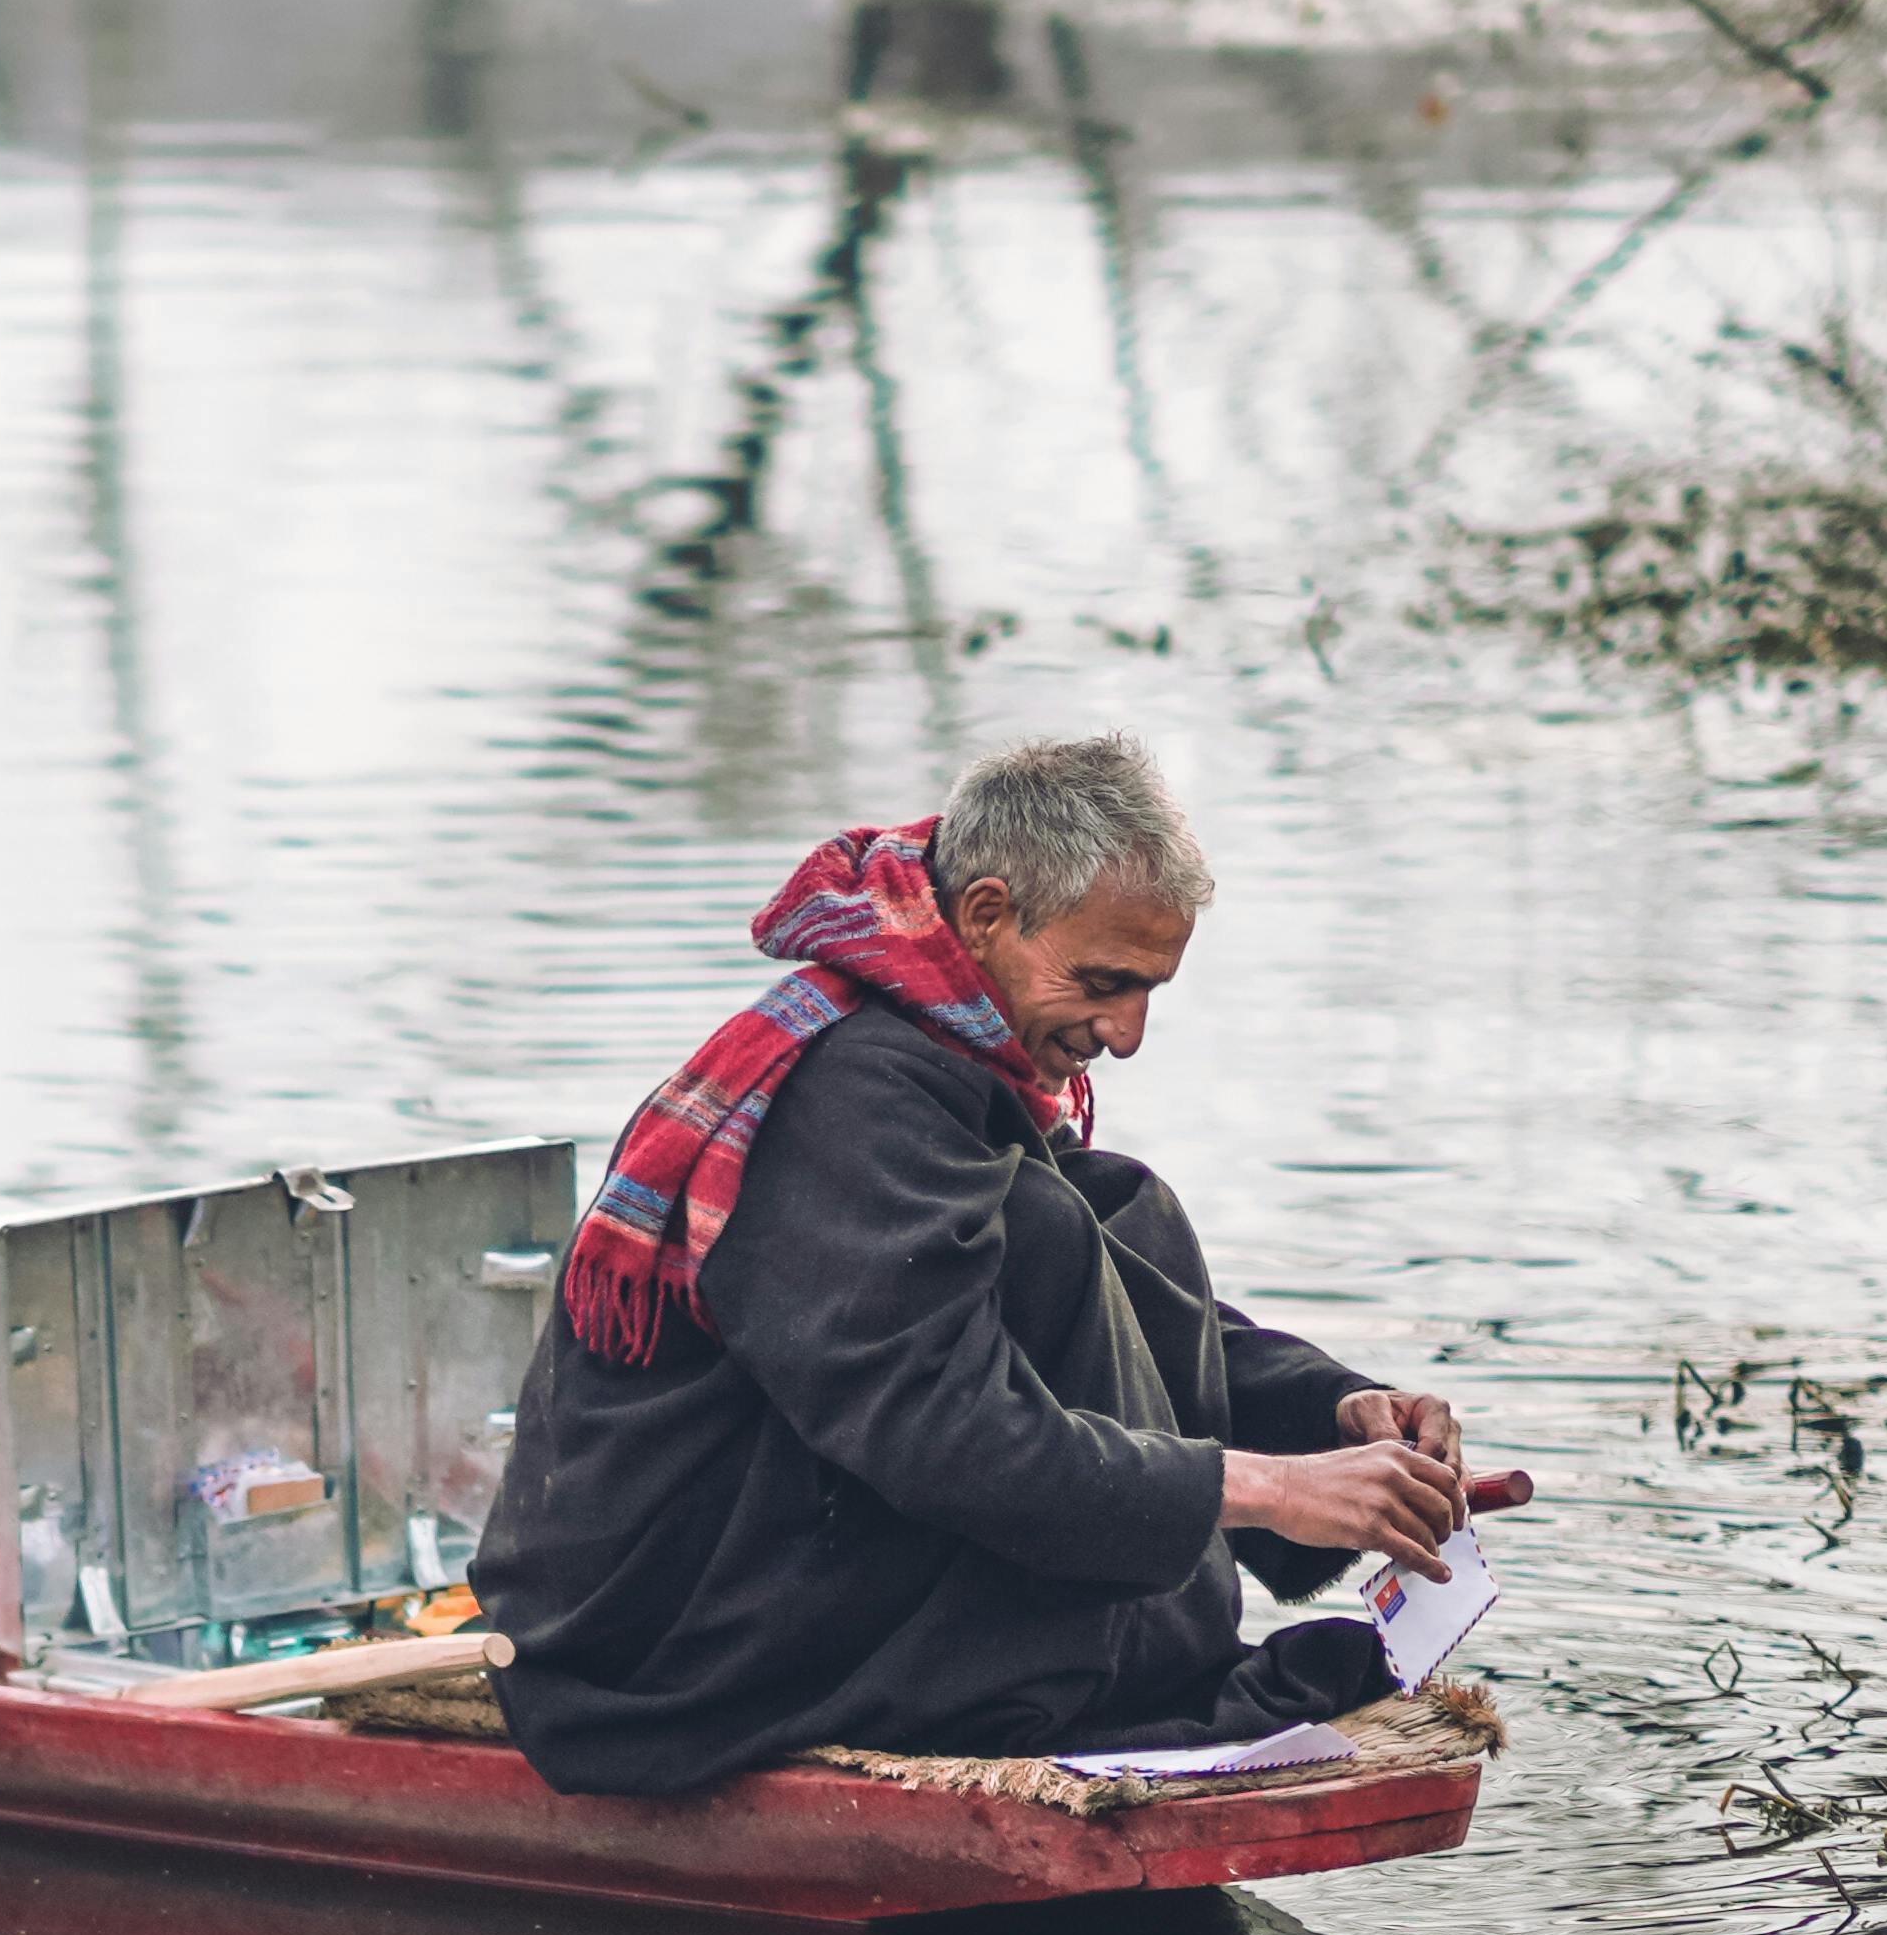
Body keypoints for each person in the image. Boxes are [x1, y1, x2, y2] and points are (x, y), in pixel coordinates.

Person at [472, 731, 1483, 1794]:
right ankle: (1122, 1681)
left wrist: (1335, 1421)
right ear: (989, 915)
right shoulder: (849, 1094)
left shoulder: (952, 1055)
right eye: (1103, 982)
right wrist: (1271, 1492)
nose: (1127, 1034)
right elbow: (937, 1427)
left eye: (1148, 990)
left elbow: (1115, 1297)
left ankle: (1131, 1660)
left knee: (1104, 1210)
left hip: (779, 1561)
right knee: (1055, 1226)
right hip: (657, 1641)